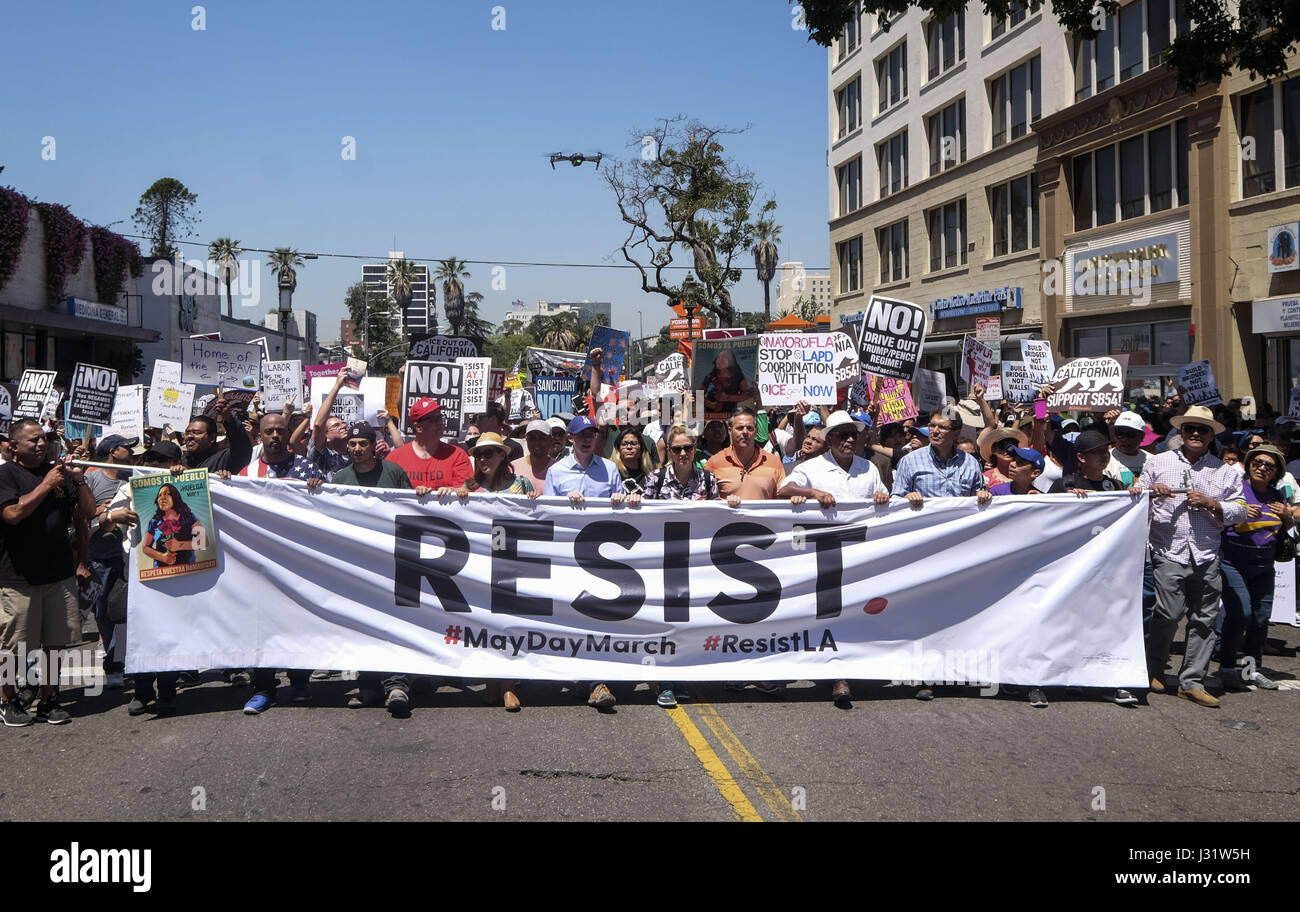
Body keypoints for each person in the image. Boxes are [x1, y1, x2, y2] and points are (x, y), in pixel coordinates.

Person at [1134, 405, 1247, 708]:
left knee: (1204, 620)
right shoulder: (1158, 462)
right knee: (1168, 614)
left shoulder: (1224, 471)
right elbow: (1134, 498)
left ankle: (1191, 682)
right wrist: (1149, 492)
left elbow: (1240, 510)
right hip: (1168, 551)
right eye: (1189, 428)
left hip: (1207, 553)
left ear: (1212, 435)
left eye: (1202, 429)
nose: (1196, 433)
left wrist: (1213, 503)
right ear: (1181, 432)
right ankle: (1154, 668)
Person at [778, 411, 889, 708]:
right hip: (822, 555)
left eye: (853, 434)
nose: (850, 439)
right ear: (829, 440)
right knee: (826, 613)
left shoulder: (869, 468)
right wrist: (811, 491)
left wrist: (881, 497)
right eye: (842, 434)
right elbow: (784, 488)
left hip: (858, 556)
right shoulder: (812, 466)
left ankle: (848, 668)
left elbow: (884, 495)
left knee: (854, 612)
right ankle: (835, 673)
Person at [224, 413, 326, 714]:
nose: (275, 437)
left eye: (280, 431)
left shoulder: (306, 466)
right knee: (260, 625)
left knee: (296, 622)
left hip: (296, 562)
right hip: (259, 564)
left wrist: (319, 487)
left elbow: (327, 505)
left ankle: (300, 682)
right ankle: (264, 688)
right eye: (269, 431)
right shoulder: (247, 471)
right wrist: (227, 485)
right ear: (260, 435)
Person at [0, 418, 96, 726]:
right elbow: (13, 514)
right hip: (18, 577)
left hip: (59, 574)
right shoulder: (6, 475)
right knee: (13, 646)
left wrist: (78, 480)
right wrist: (45, 485)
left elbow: (88, 513)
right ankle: (7, 700)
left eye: (43, 439)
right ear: (14, 447)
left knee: (56, 642)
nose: (41, 445)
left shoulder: (59, 474)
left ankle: (48, 698)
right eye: (33, 441)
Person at [890, 410, 990, 701]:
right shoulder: (911, 461)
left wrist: (983, 497)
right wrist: (905, 499)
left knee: (958, 612)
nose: (934, 431)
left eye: (942, 427)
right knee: (926, 614)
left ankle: (956, 671)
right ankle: (926, 676)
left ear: (956, 434)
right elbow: (895, 501)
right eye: (932, 426)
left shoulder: (970, 463)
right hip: (925, 553)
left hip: (960, 552)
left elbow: (979, 495)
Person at [328, 422, 418, 715]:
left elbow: (412, 511)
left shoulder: (393, 473)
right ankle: (368, 685)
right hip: (357, 565)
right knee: (363, 624)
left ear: (373, 446)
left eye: (362, 444)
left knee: (394, 623)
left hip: (393, 561)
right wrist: (316, 490)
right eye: (352, 444)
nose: (356, 449)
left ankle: (397, 685)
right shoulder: (340, 478)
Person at [543, 415, 630, 709]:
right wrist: (562, 501)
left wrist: (619, 499)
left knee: (600, 618)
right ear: (570, 438)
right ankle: (586, 678)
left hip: (603, 559)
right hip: (569, 558)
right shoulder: (556, 472)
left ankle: (595, 681)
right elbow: (546, 516)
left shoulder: (609, 469)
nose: (587, 438)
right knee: (576, 620)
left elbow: (621, 509)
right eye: (581, 434)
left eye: (591, 433)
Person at [1217, 443, 1293, 692]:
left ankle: (1252, 670)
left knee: (1260, 619)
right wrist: (1237, 512)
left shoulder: (1277, 496)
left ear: (1276, 471)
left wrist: (1287, 515)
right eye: (1257, 463)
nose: (1262, 468)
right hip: (1232, 563)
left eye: (1269, 466)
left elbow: (1287, 529)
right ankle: (1227, 666)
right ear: (1248, 465)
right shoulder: (1236, 489)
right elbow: (1217, 515)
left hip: (1264, 566)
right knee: (1241, 614)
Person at [128, 441, 184, 716]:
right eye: (152, 461)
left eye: (162, 461)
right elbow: (106, 513)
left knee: (169, 634)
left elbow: (202, 539)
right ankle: (142, 690)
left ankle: (168, 691)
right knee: (144, 632)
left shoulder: (188, 502)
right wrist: (115, 515)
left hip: (177, 579)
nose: (155, 466)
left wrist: (180, 548)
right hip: (145, 576)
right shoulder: (136, 487)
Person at [86, 434, 139, 689]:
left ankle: (121, 660)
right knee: (105, 611)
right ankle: (114, 660)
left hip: (127, 556)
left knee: (124, 610)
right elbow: (80, 520)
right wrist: (105, 513)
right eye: (127, 447)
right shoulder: (91, 479)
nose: (132, 451)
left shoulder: (134, 478)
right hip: (99, 558)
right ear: (112, 452)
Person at [706, 406, 786, 506]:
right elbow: (704, 501)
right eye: (740, 428)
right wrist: (724, 503)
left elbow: (782, 501)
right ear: (730, 431)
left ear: (756, 432)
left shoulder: (773, 462)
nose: (745, 432)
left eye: (749, 428)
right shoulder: (714, 463)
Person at [386, 399, 473, 490]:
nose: (440, 422)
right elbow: (385, 495)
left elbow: (467, 491)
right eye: (434, 419)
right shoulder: (395, 458)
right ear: (418, 427)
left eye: (440, 417)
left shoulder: (457, 455)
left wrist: (452, 490)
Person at [177, 395, 253, 475]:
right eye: (187, 433)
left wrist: (229, 418)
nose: (190, 436)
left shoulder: (223, 459)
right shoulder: (180, 461)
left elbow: (242, 448)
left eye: (196, 432)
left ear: (212, 438)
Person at [140, 484, 206, 569]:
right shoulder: (154, 522)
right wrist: (162, 557)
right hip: (162, 572)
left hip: (187, 569)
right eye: (159, 495)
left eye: (166, 494)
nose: (162, 498)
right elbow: (145, 547)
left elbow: (204, 541)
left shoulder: (189, 517)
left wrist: (180, 545)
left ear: (175, 497)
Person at [308, 366, 355, 479]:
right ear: (326, 437)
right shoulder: (321, 455)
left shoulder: (357, 454)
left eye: (343, 423)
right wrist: (337, 386)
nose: (343, 426)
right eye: (336, 426)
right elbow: (318, 425)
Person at [700, 349, 751, 415]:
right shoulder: (710, 376)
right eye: (718, 357)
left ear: (731, 361)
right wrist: (712, 405)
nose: (719, 360)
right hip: (710, 416)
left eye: (724, 357)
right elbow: (699, 394)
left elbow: (747, 394)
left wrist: (727, 397)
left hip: (730, 416)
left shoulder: (738, 376)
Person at [511, 420, 555, 493]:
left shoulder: (559, 469)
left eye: (542, 438)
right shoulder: (512, 468)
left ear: (550, 440)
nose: (537, 442)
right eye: (532, 438)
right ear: (526, 439)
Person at [610, 426, 654, 495]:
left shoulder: (651, 475)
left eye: (634, 443)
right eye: (624, 444)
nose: (629, 447)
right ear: (618, 448)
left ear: (641, 448)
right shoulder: (611, 472)